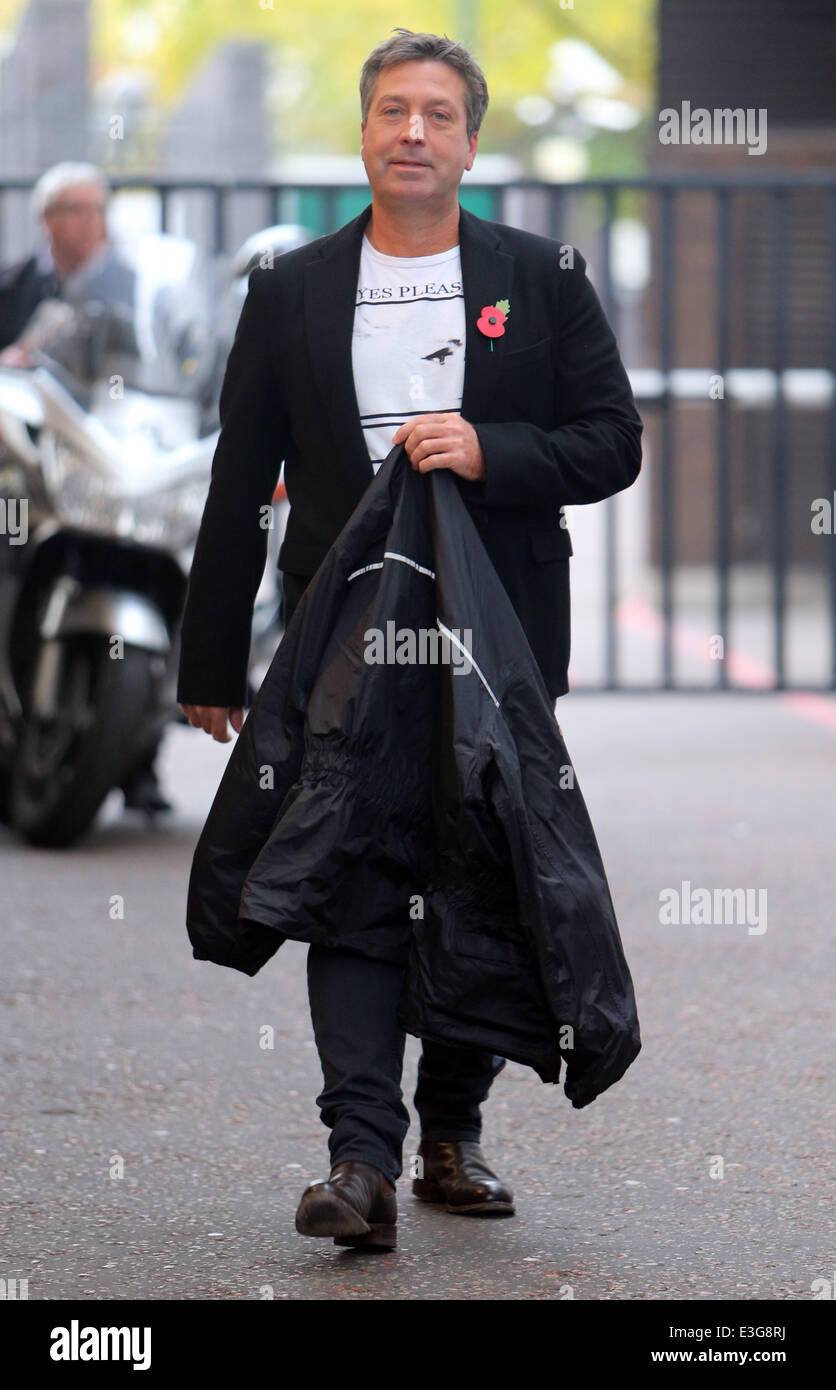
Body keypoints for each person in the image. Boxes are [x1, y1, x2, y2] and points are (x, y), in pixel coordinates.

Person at [177, 28, 643, 1249]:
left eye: (437, 114)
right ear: (365, 133)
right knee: (354, 871)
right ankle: (358, 1159)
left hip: (498, 635)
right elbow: (240, 481)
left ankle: (450, 1133)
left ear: (470, 142)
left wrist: (496, 452)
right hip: (346, 638)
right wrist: (210, 660)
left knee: (476, 875)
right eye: (392, 110)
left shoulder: (539, 274)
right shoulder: (290, 289)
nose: (413, 132)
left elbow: (611, 439)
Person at [0, 162, 171, 816]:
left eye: (97, 208)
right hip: (33, 468)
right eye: (73, 209)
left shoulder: (135, 287)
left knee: (149, 566)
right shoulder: (17, 285)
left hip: (111, 467)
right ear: (47, 219)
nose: (89, 221)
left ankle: (139, 760)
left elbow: (166, 368)